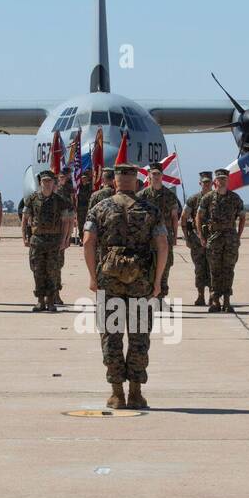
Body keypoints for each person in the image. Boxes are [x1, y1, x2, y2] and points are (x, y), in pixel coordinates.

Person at [83, 162, 167, 410]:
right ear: (137, 180)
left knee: (111, 335)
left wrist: (92, 277)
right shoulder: (150, 209)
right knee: (139, 336)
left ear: (116, 180)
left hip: (109, 281)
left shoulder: (99, 208)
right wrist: (157, 280)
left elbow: (88, 242)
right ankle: (136, 393)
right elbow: (163, 245)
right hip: (141, 280)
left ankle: (117, 393)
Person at [196, 167, 245, 312]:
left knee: (228, 270)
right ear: (215, 181)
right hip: (214, 238)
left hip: (230, 239)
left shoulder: (235, 198)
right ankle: (215, 300)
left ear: (228, 180)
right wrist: (201, 236)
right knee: (214, 270)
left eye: (224, 178)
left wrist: (238, 235)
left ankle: (227, 301)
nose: (222, 181)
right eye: (219, 179)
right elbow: (198, 217)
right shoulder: (208, 198)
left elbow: (242, 217)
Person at [21, 170, 70, 312]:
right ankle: (40, 301)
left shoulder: (60, 200)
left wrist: (65, 239)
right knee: (38, 271)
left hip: (54, 241)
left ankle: (51, 301)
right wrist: (24, 237)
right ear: (40, 182)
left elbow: (66, 221)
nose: (47, 183)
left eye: (49, 181)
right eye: (44, 181)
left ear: (53, 183)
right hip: (37, 240)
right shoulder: (32, 199)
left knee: (52, 271)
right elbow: (25, 219)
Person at [137, 162, 179, 295]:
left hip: (165, 238)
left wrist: (175, 237)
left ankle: (161, 299)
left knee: (164, 269)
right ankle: (148, 299)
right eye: (153, 174)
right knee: (146, 269)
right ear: (149, 176)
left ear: (162, 176)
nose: (155, 176)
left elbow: (174, 218)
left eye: (158, 174)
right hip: (146, 239)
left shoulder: (170, 196)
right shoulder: (141, 196)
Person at [181, 171, 212, 305]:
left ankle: (213, 295)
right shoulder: (193, 199)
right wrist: (187, 238)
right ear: (200, 183)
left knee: (212, 267)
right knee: (199, 268)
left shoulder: (216, 198)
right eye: (204, 182)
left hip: (213, 238)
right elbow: (183, 218)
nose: (206, 184)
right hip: (196, 239)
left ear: (212, 183)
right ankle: (200, 296)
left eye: (208, 182)